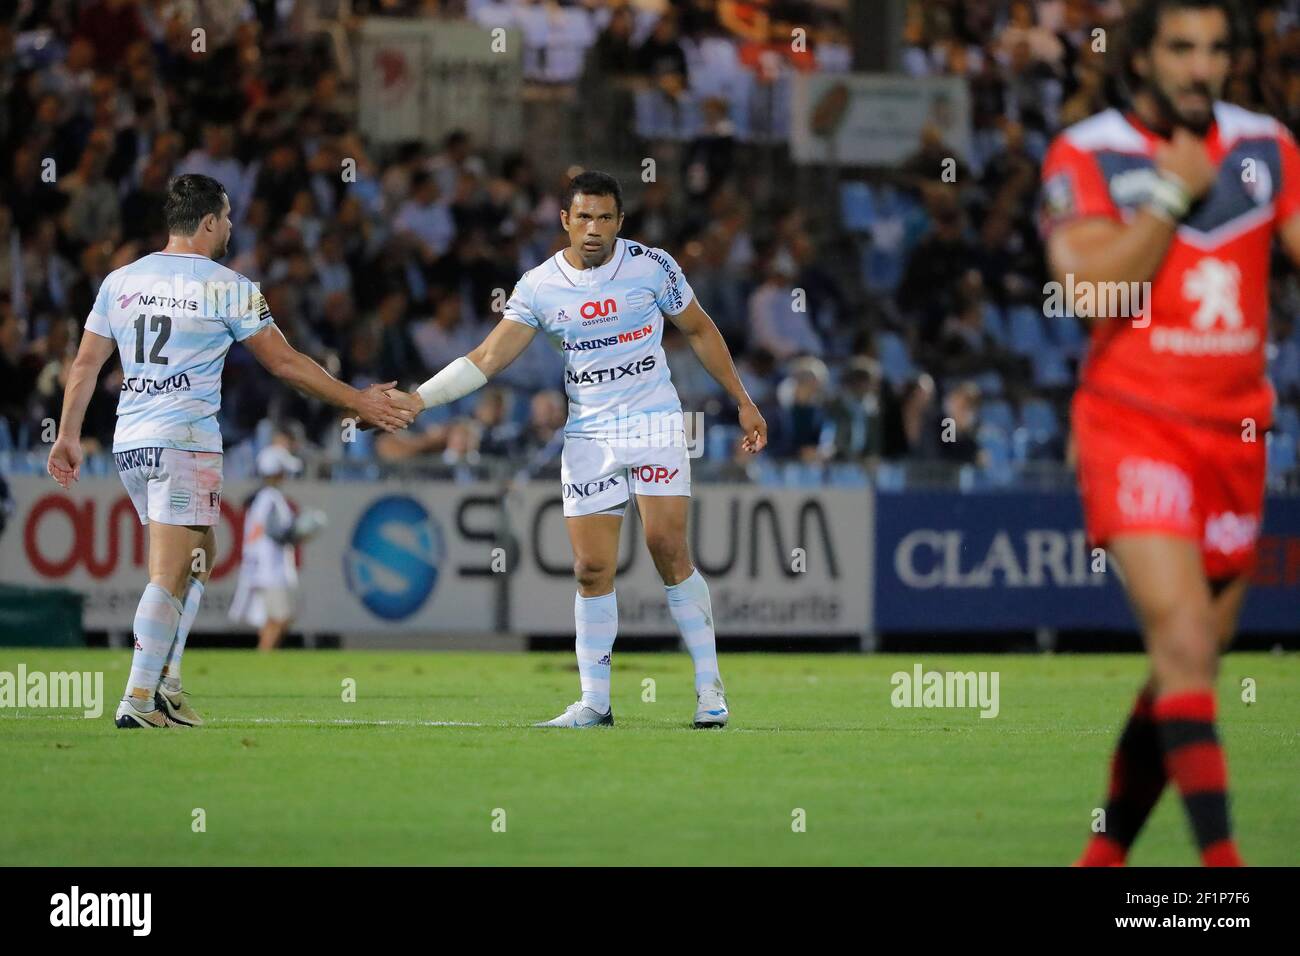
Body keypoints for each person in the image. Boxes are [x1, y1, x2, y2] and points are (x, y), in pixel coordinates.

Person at [1040, 0, 1300, 865]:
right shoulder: (1090, 152)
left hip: (1237, 432)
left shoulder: (1268, 146)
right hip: (1135, 422)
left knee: (1189, 664)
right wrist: (1169, 196)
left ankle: (1103, 860)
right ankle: (1225, 877)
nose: (1201, 67)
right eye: (1182, 48)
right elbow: (1086, 292)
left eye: (1217, 50)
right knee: (1186, 643)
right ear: (1142, 57)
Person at [45, 173, 416, 729]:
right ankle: (139, 699)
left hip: (132, 443)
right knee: (168, 571)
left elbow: (85, 364)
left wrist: (68, 435)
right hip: (184, 440)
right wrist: (356, 400)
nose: (231, 226)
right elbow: (285, 362)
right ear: (209, 222)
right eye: (226, 217)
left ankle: (167, 683)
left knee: (202, 553)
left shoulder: (121, 279)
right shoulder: (228, 286)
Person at [405, 170, 768, 728]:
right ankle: (595, 703)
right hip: (589, 435)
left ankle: (709, 689)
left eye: (604, 218)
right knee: (590, 568)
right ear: (565, 221)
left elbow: (698, 329)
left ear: (620, 222)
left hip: (653, 423)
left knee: (666, 546)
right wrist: (418, 401)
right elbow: (487, 358)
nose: (593, 229)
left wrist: (742, 399)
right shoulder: (539, 286)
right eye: (583, 218)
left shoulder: (652, 266)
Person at [229, 442, 327, 651]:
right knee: (280, 617)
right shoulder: (270, 499)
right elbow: (277, 533)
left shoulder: (262, 498)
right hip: (271, 568)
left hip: (262, 567)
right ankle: (264, 655)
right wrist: (302, 531)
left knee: (274, 617)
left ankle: (264, 654)